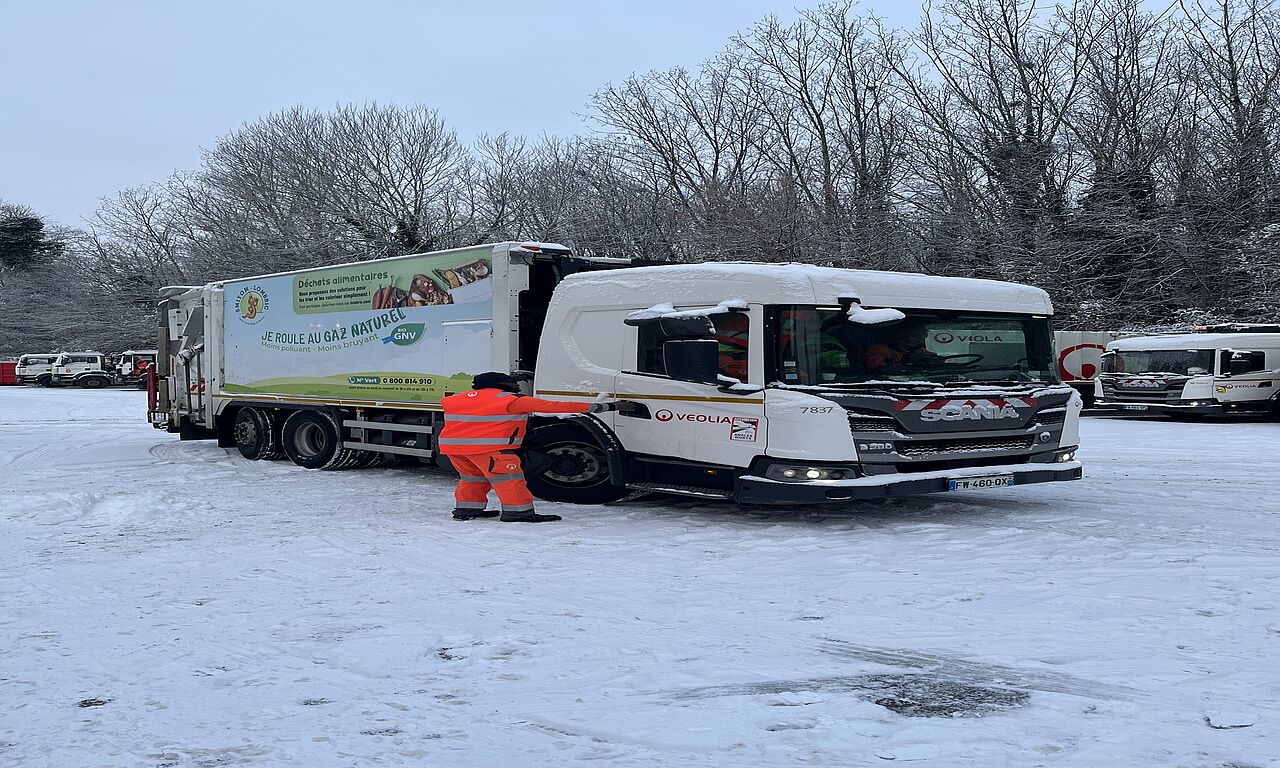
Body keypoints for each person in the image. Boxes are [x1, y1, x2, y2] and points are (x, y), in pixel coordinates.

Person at [438, 372, 629, 523]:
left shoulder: (455, 399)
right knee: (509, 480)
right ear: (501, 384)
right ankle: (518, 513)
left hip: (455, 448)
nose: (517, 385)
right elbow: (555, 406)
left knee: (472, 478)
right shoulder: (510, 400)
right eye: (512, 383)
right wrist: (607, 407)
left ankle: (467, 509)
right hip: (491, 449)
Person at [863, 322, 932, 371]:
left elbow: (932, 362)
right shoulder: (878, 349)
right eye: (914, 337)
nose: (915, 342)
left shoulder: (919, 351)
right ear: (900, 336)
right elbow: (878, 369)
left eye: (919, 339)